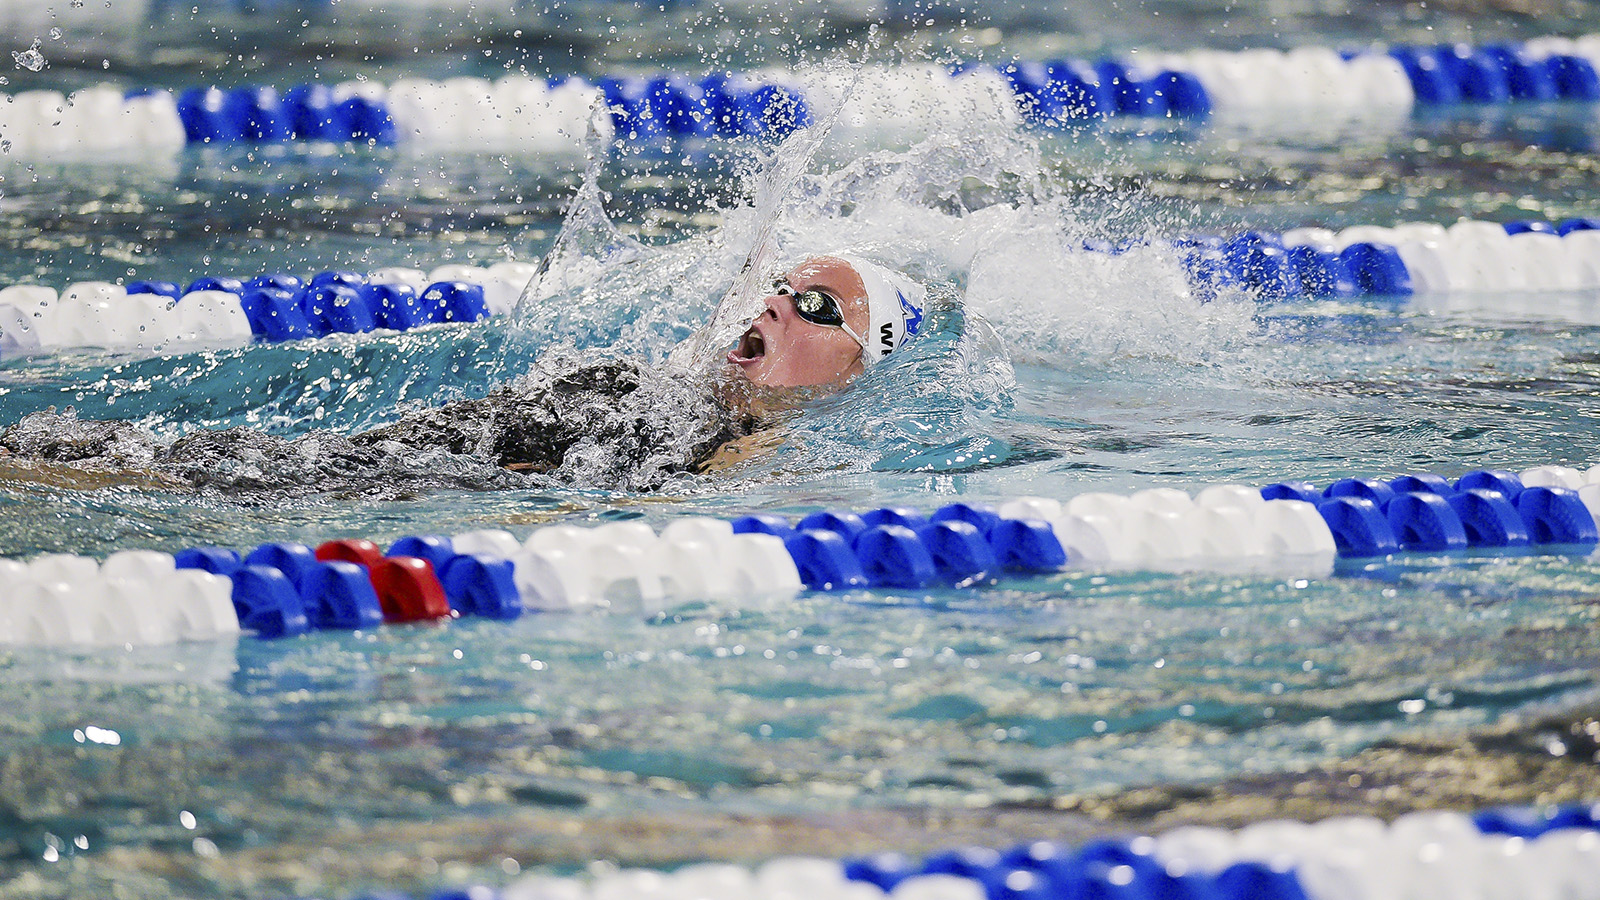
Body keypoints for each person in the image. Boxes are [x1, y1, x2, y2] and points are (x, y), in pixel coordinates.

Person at [0, 254, 929, 493]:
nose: (776, 304)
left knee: (136, 466)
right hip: (352, 462)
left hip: (383, 489)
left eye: (816, 309)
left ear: (855, 369)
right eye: (778, 287)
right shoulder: (667, 383)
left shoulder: (754, 452)